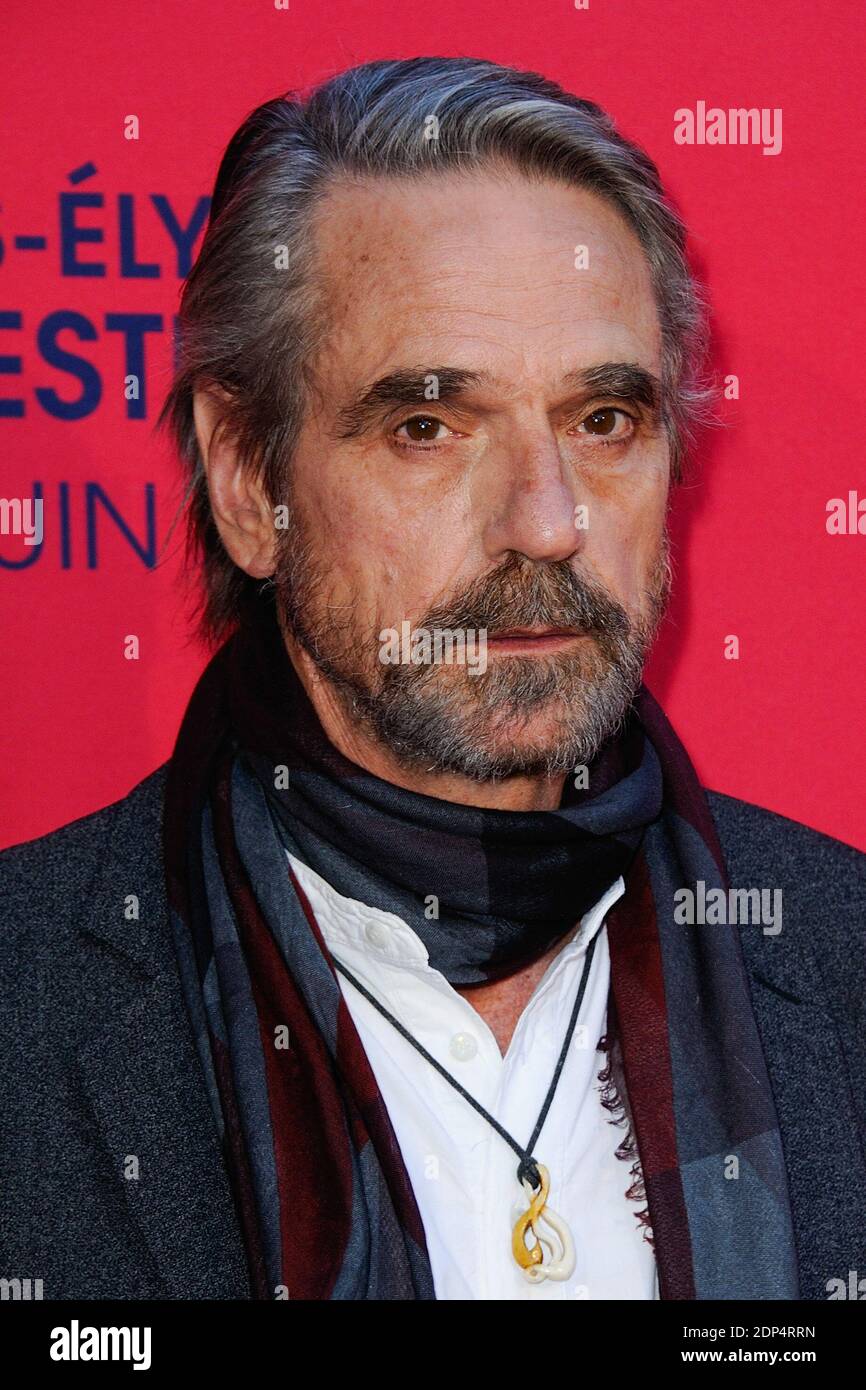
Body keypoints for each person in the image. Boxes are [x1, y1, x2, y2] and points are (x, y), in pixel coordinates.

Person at [1, 56, 863, 1302]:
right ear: (250, 483)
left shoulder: (833, 955)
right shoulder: (32, 1002)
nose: (549, 520)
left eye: (602, 420)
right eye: (427, 427)